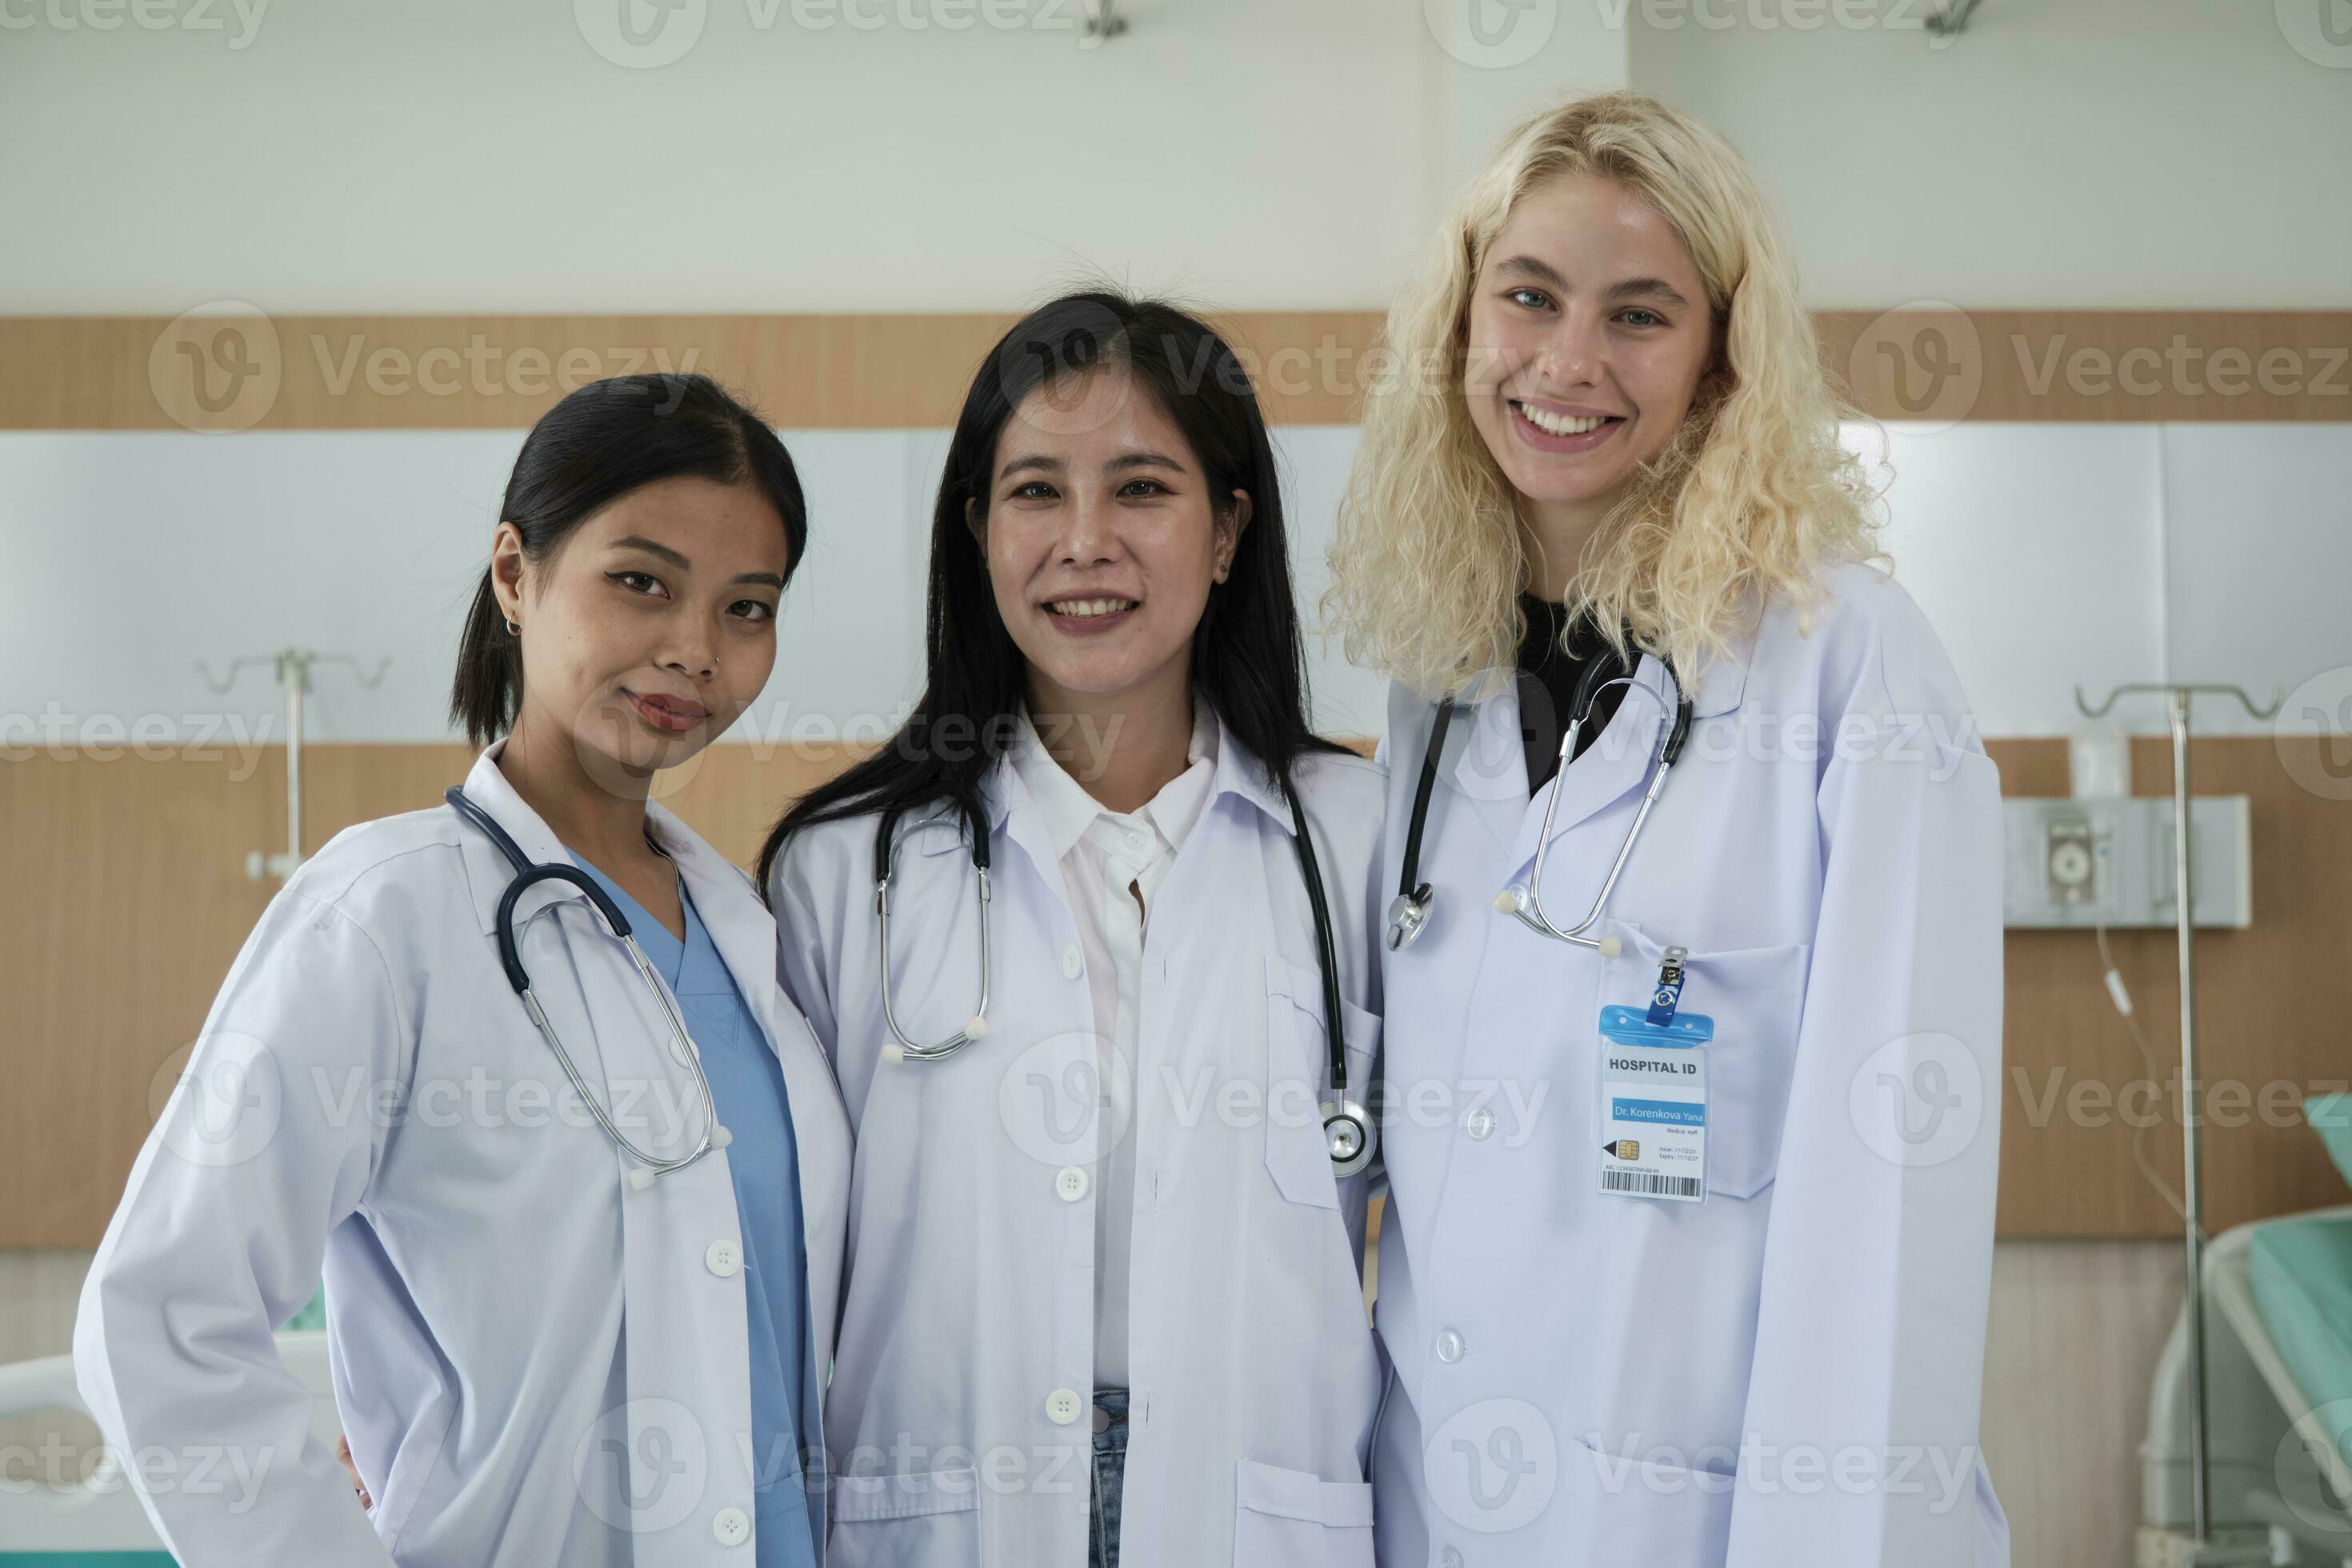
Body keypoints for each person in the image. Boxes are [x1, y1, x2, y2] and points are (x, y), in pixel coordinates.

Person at [1322, 91, 2010, 1566]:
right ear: (1462, 325)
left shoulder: (1849, 665)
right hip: (1440, 1508)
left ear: (1720, 363)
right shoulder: (1437, 682)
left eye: (1640, 314)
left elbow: (1889, 1207)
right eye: (1529, 297)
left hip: (1699, 1521)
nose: (1567, 363)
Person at [75, 374, 850, 1568]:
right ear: (515, 573)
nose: (695, 650)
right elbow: (161, 1320)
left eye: (747, 608)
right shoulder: (385, 915)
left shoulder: (749, 928)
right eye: (640, 581)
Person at [759, 290, 1387, 1568]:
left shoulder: (1360, 846)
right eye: (1037, 493)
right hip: (940, 1516)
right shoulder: (846, 873)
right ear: (980, 532)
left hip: (1252, 1515)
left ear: (1227, 534)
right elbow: (773, 1277)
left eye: (1144, 489)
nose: (1085, 542)